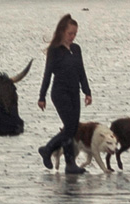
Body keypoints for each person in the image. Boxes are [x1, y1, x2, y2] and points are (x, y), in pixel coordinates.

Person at [35, 13, 90, 169]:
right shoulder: (55, 50)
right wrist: (42, 97)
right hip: (60, 93)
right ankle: (55, 154)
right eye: (70, 33)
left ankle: (62, 159)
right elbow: (47, 74)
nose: (72, 37)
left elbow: (81, 72)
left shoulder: (76, 49)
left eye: (75, 34)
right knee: (70, 127)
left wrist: (87, 92)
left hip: (75, 93)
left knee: (71, 129)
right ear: (62, 32)